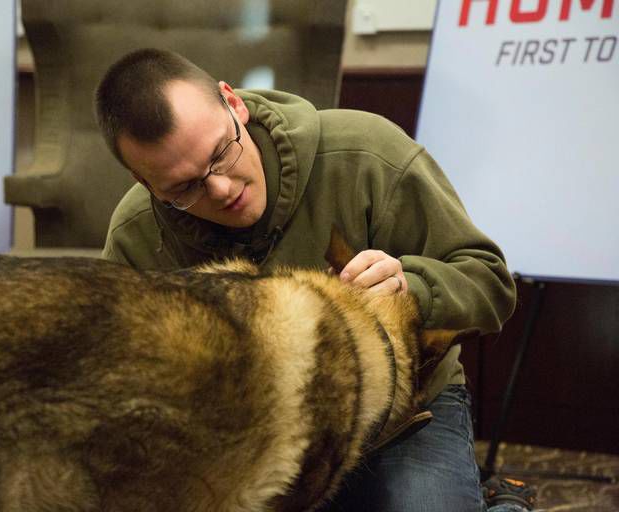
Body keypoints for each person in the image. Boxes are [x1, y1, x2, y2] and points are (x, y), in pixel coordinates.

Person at [94, 48, 528, 511]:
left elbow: (490, 282)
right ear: (144, 181)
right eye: (184, 187)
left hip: (402, 417)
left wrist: (410, 290)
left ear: (234, 103)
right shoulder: (135, 237)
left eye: (221, 153)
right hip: (248, 441)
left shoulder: (367, 153)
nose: (221, 189)